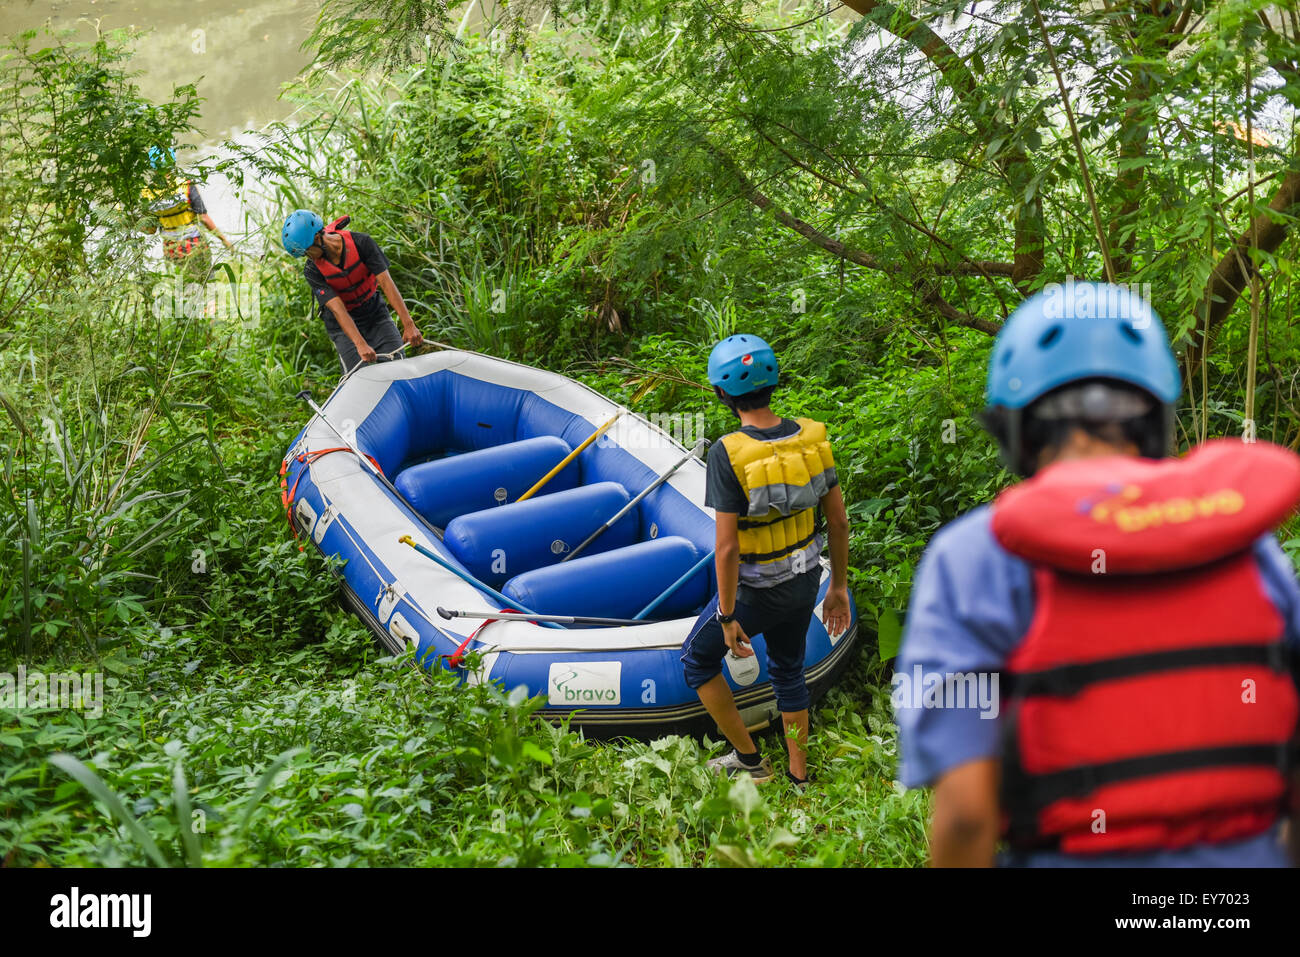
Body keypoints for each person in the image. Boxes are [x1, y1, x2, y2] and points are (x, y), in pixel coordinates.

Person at [896, 281, 1300, 867]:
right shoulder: (1244, 542)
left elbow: (965, 813)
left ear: (1018, 427)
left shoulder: (975, 555)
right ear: (1155, 414)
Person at [681, 334, 851, 785]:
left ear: (722, 393)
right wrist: (836, 588)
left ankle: (751, 761)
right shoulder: (812, 438)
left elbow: (728, 548)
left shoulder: (727, 453)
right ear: (774, 382)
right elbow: (838, 523)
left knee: (696, 662)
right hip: (805, 581)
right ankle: (799, 777)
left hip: (756, 592)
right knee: (788, 669)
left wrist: (727, 614)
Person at [281, 210, 424, 376]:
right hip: (342, 325)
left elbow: (386, 282)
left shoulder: (361, 242)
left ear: (317, 238)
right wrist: (359, 343)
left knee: (398, 367)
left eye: (307, 252)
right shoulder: (312, 270)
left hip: (374, 312)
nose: (308, 257)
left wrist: (409, 324)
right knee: (357, 377)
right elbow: (337, 309)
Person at [139, 146, 233, 282]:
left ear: (153, 167)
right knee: (207, 286)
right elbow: (204, 218)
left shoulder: (147, 193)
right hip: (195, 245)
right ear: (173, 162)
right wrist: (224, 240)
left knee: (184, 291)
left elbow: (151, 230)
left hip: (172, 250)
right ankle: (210, 303)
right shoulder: (186, 185)